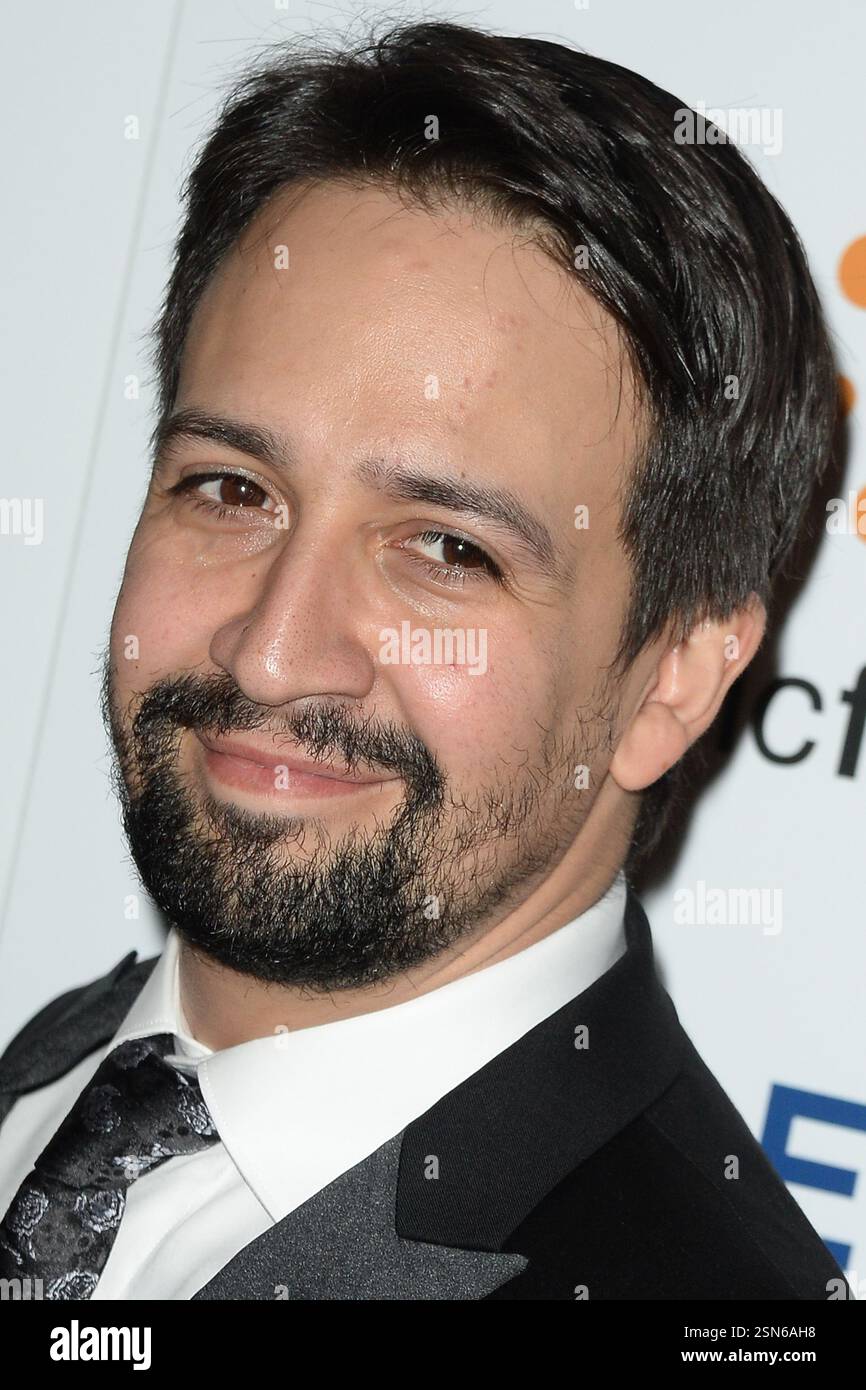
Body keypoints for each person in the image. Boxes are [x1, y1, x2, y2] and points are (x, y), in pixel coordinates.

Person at [0, 19, 850, 1300]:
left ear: (671, 674)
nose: (274, 653)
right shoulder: (50, 1071)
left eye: (445, 550)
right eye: (230, 488)